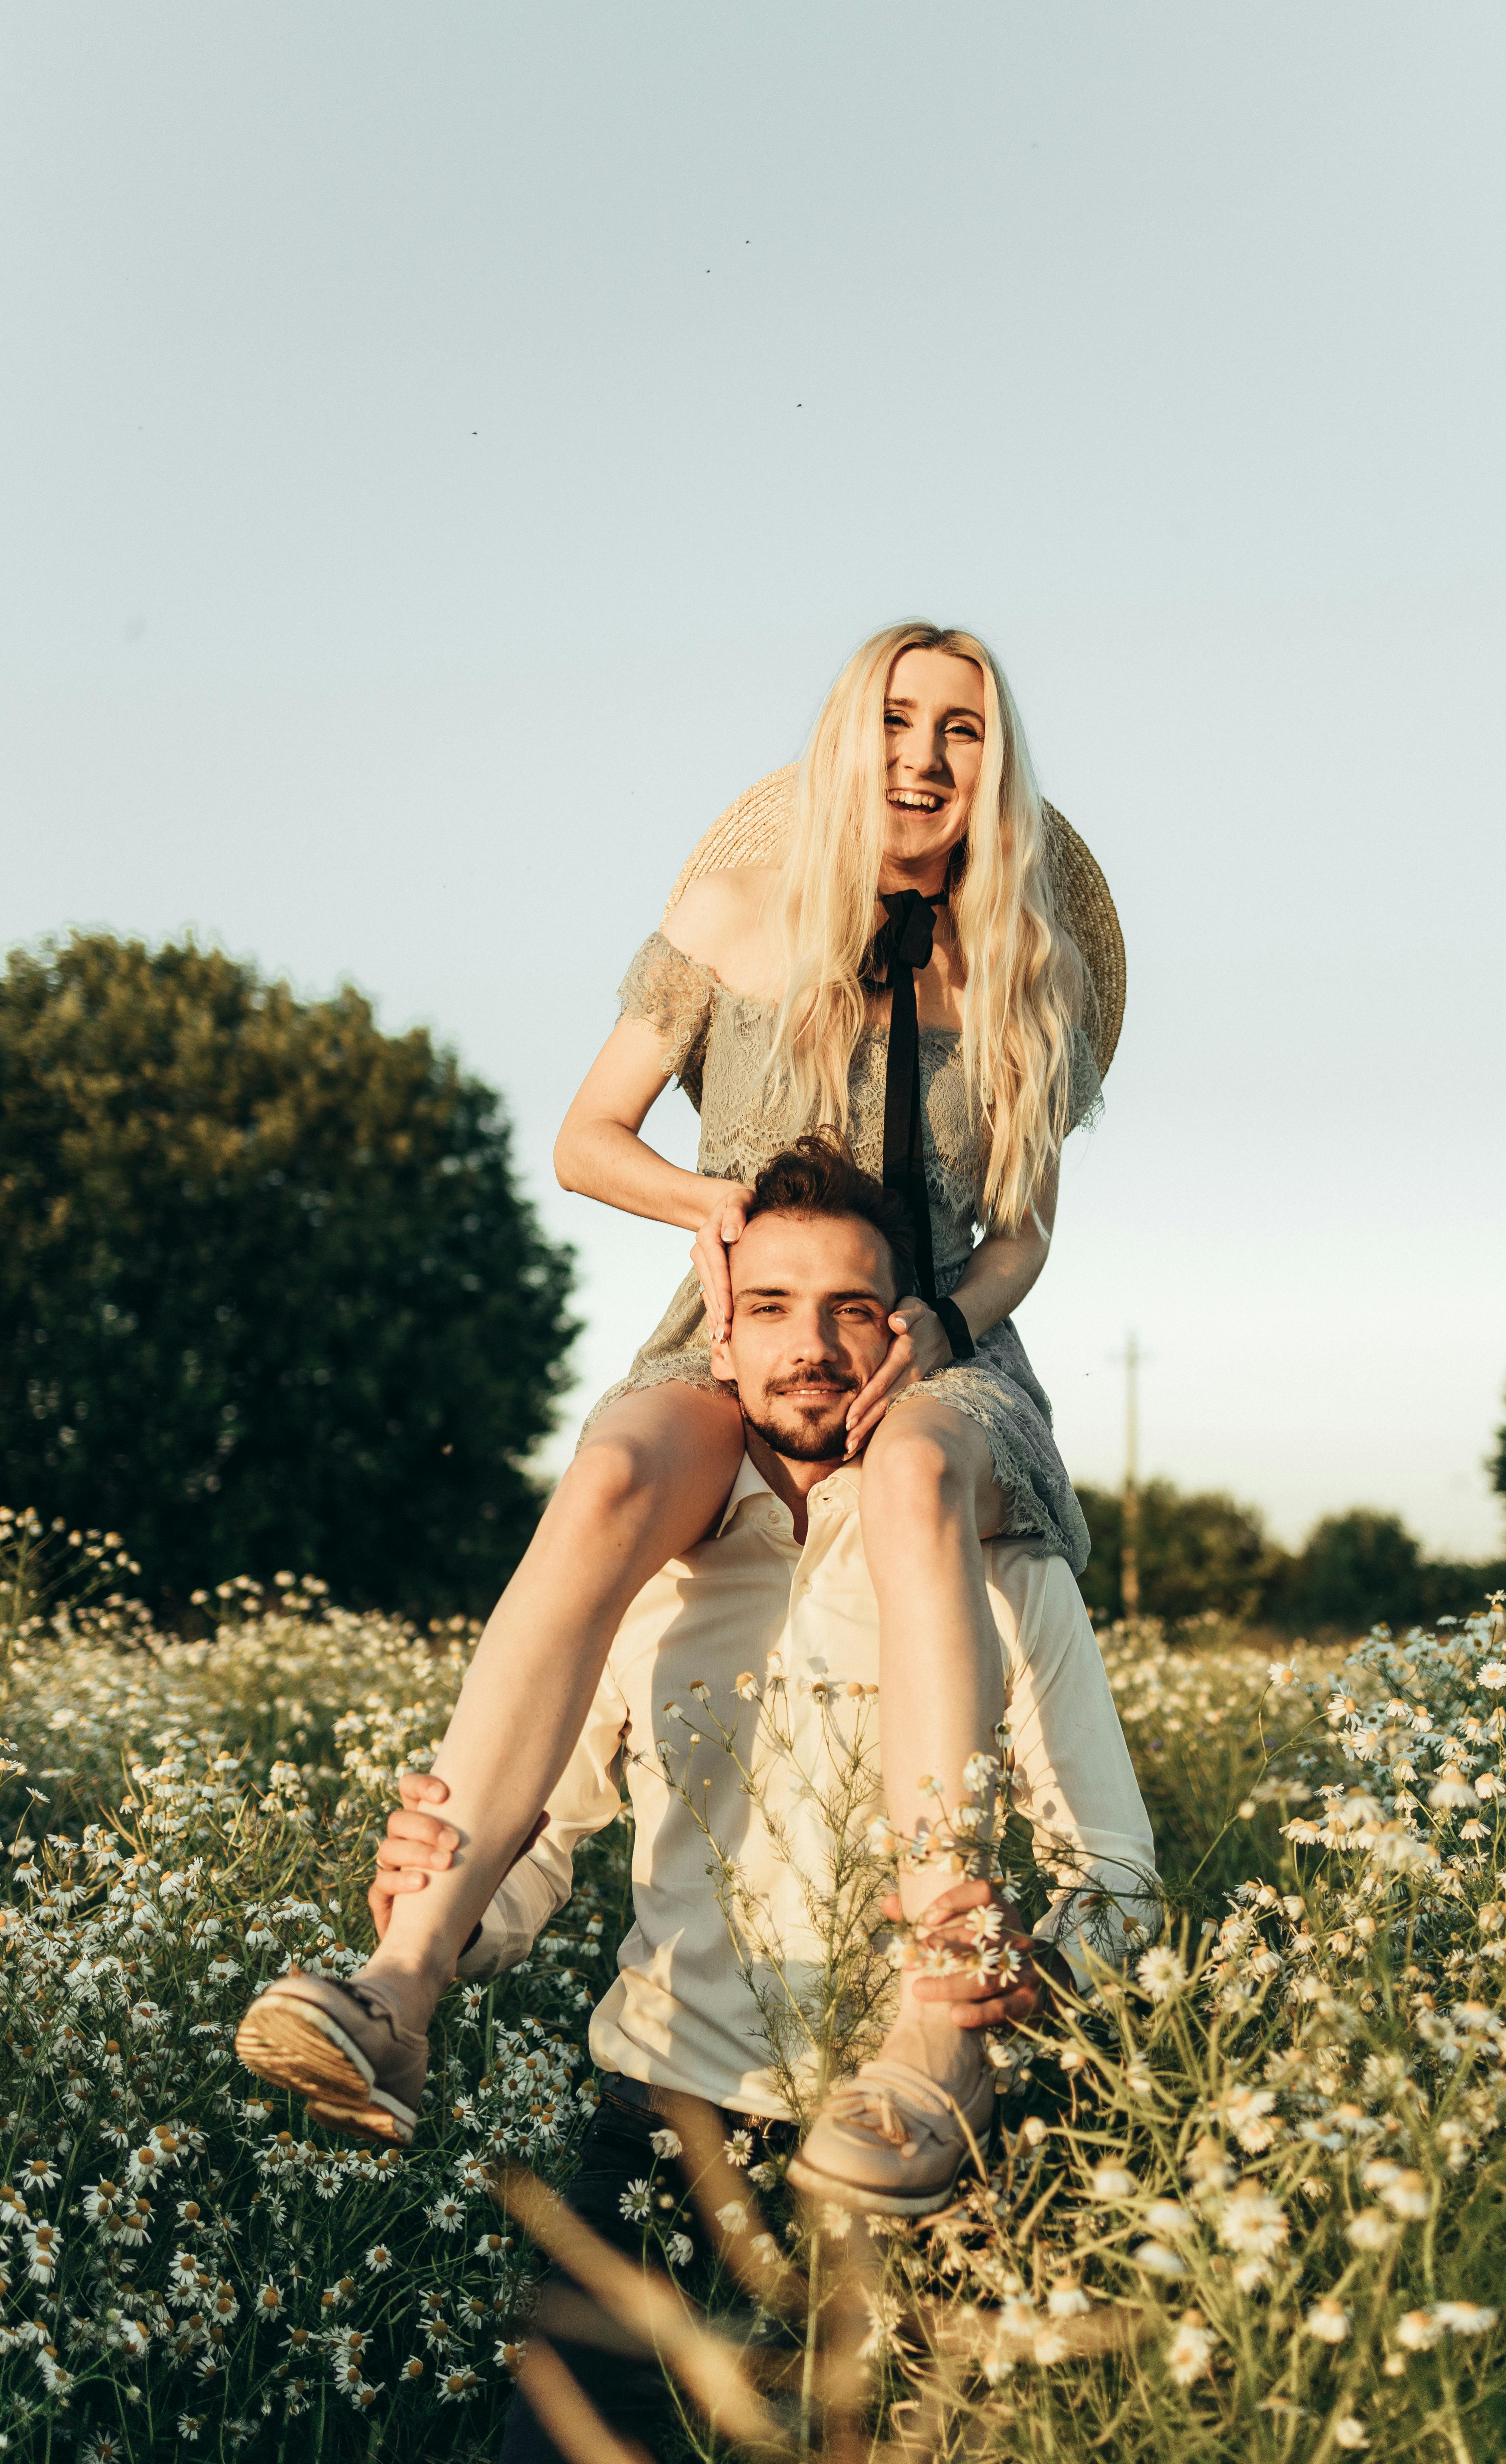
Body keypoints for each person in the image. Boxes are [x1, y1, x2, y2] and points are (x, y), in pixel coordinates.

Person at [236, 621, 1124, 2204]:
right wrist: (717, 1205)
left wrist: (943, 1320)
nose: (925, 756)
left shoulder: (1024, 973)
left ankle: (941, 2013)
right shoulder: (732, 917)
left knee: (916, 1470)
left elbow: (1025, 1234)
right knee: (610, 1469)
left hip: (938, 1342)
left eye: (965, 730)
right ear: (849, 740)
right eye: (900, 720)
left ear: (1000, 765)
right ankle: (405, 1975)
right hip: (737, 1326)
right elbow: (587, 1139)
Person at [369, 1143, 1155, 2455]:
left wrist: (1041, 1966)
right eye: (774, 1307)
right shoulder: (646, 1573)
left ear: (907, 1333)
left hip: (926, 2147)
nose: (817, 1344)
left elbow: (1118, 1869)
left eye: (855, 1307)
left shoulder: (1003, 1569)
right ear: (715, 1339)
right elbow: (540, 1851)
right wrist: (435, 1902)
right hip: (661, 2133)